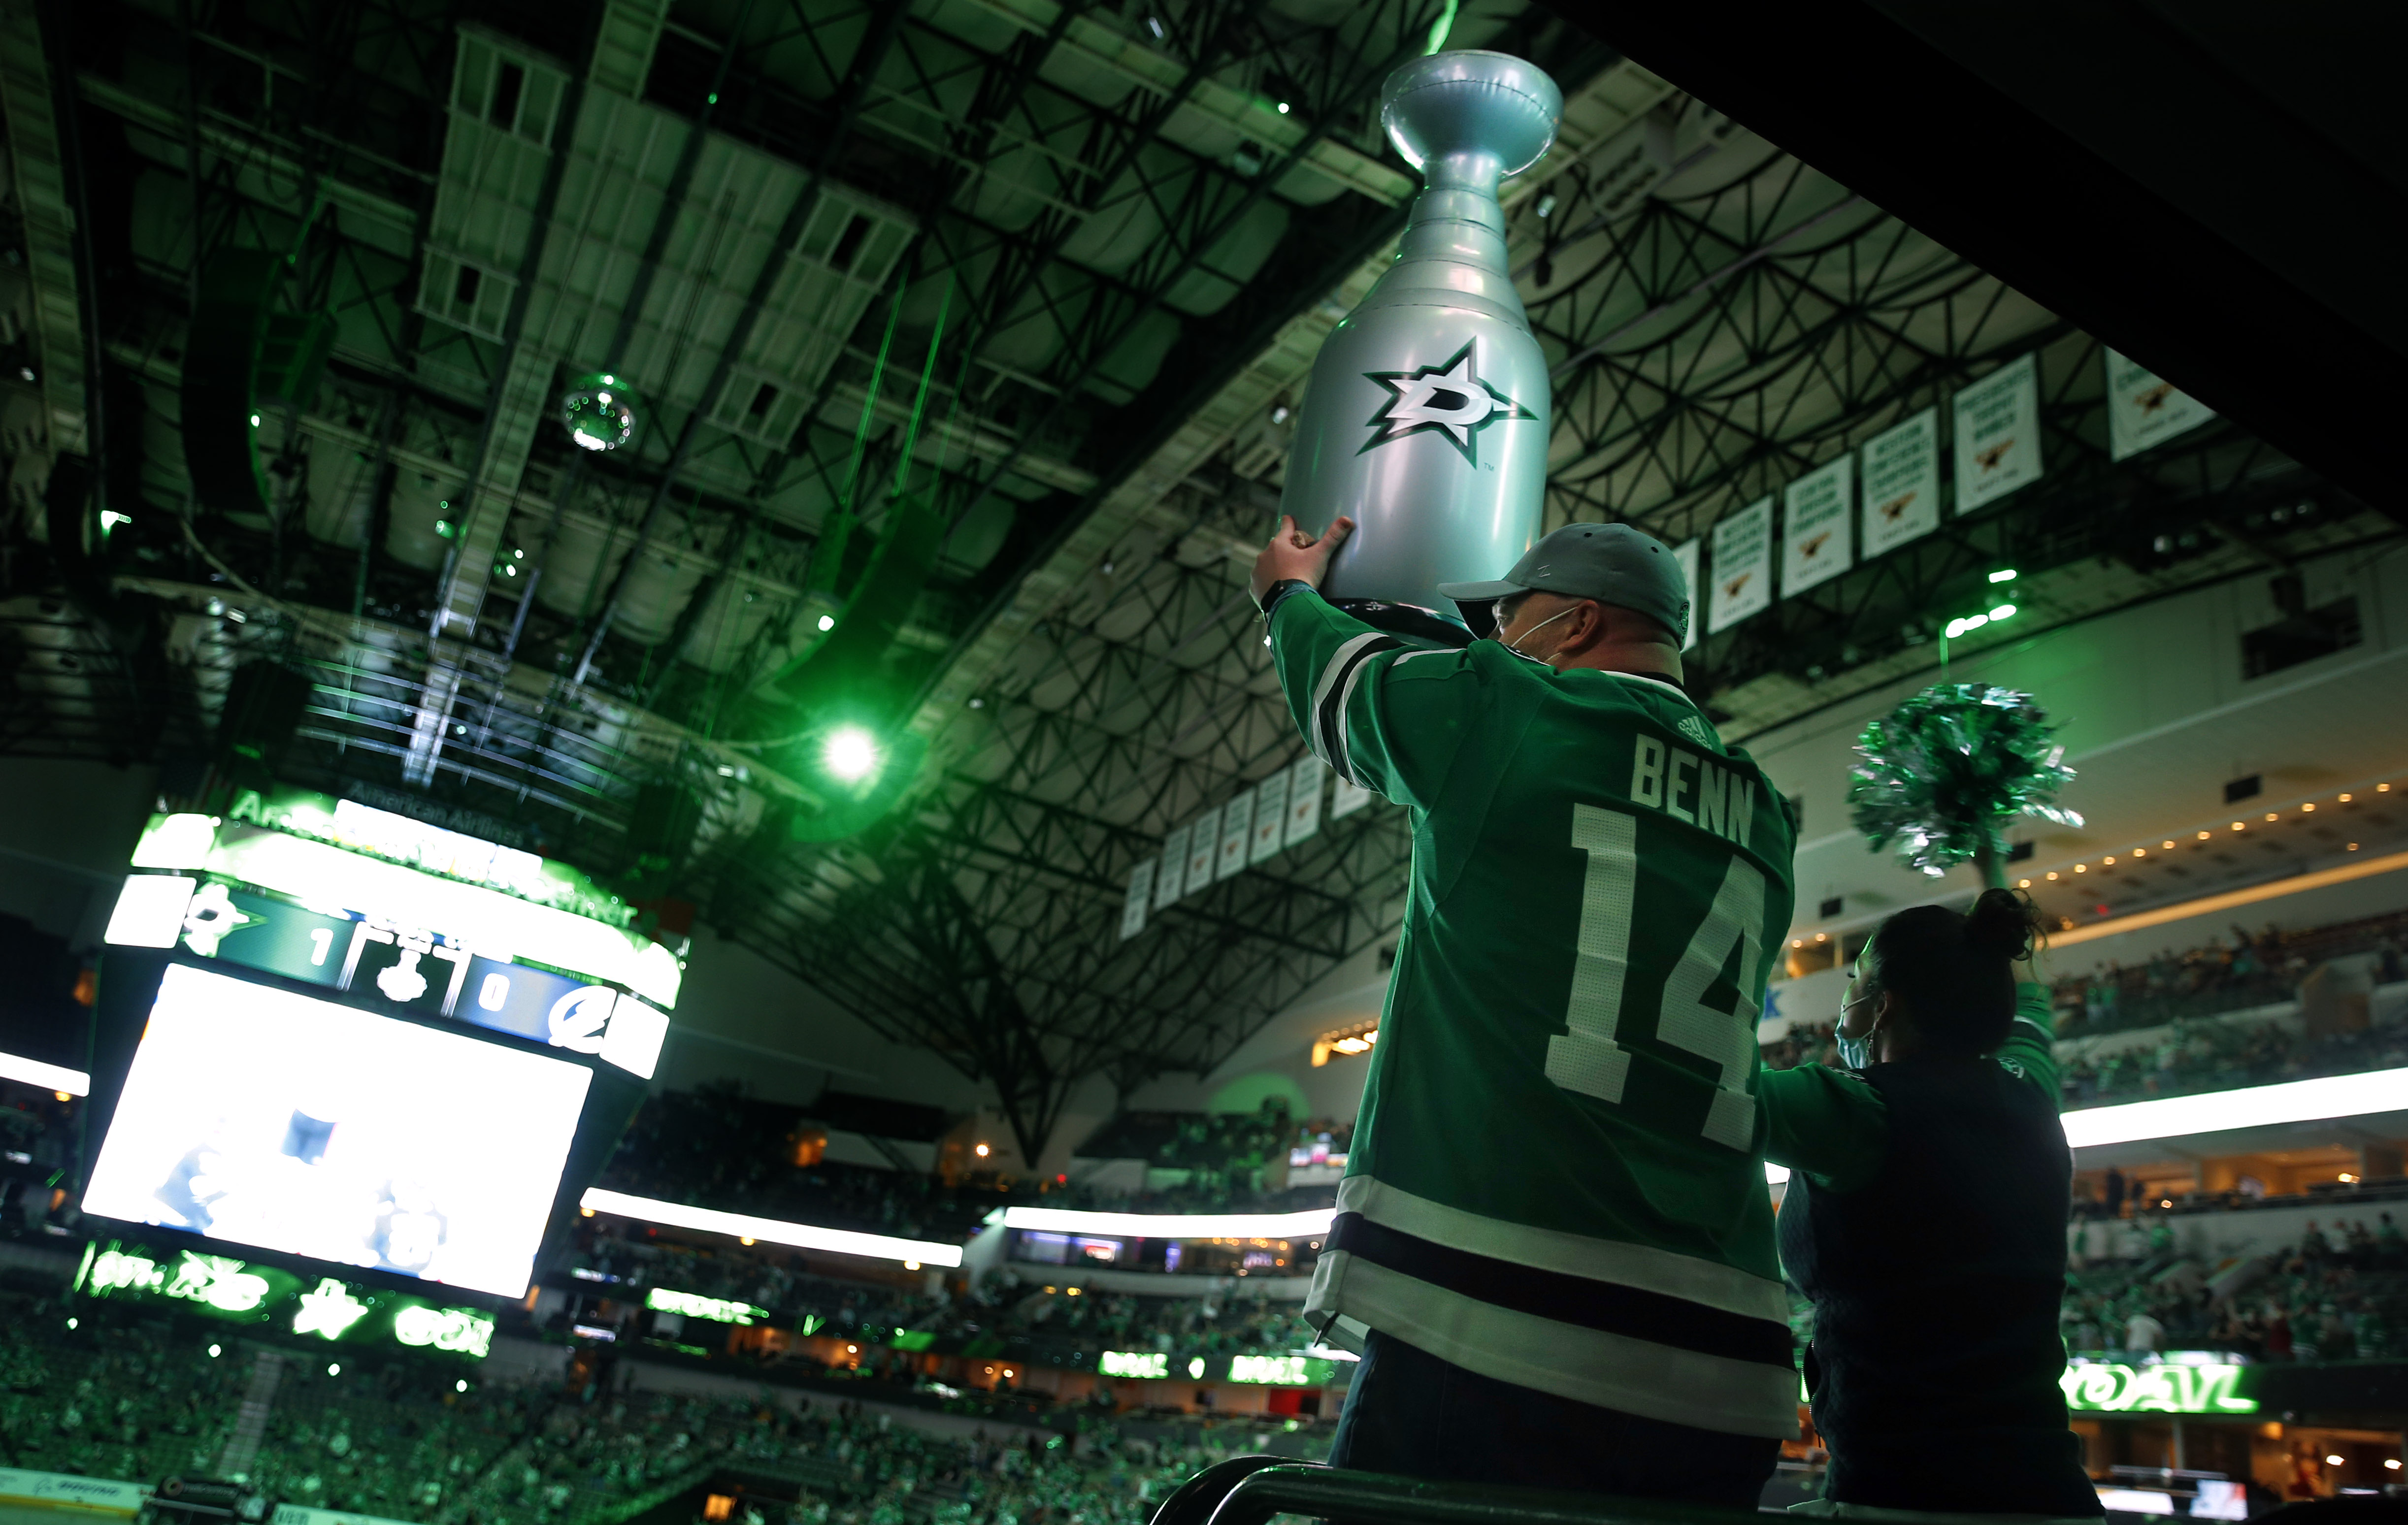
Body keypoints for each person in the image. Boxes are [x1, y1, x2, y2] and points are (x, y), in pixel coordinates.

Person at [1251, 517, 1799, 1503]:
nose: (1496, 638)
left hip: (1505, 1315)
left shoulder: (1506, 705)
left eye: (1509, 616)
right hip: (1730, 1365)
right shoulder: (1761, 804)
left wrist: (1286, 593)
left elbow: (1345, 686)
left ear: (1577, 622)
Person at [1757, 889, 2101, 1519]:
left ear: (1881, 1004)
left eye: (1854, 977)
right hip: (2057, 1500)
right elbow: (2028, 1010)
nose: (1844, 997)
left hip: (1906, 1494)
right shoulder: (2033, 1097)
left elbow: (1698, 1089)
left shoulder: (1853, 1109)